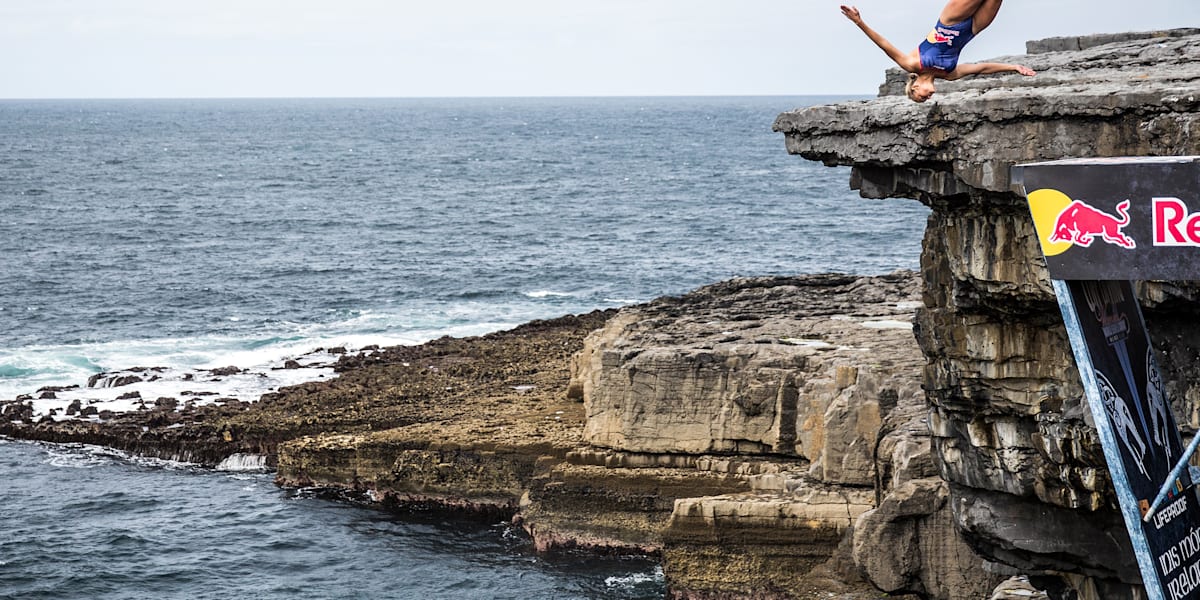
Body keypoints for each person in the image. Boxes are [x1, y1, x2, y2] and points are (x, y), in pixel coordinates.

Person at [840, 1, 1036, 102]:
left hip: (951, 20)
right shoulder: (948, 74)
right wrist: (1014, 67)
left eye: (923, 96)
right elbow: (980, 68)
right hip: (972, 29)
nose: (929, 96)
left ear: (915, 87)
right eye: (927, 99)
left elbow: (883, 44)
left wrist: (859, 22)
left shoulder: (912, 63)